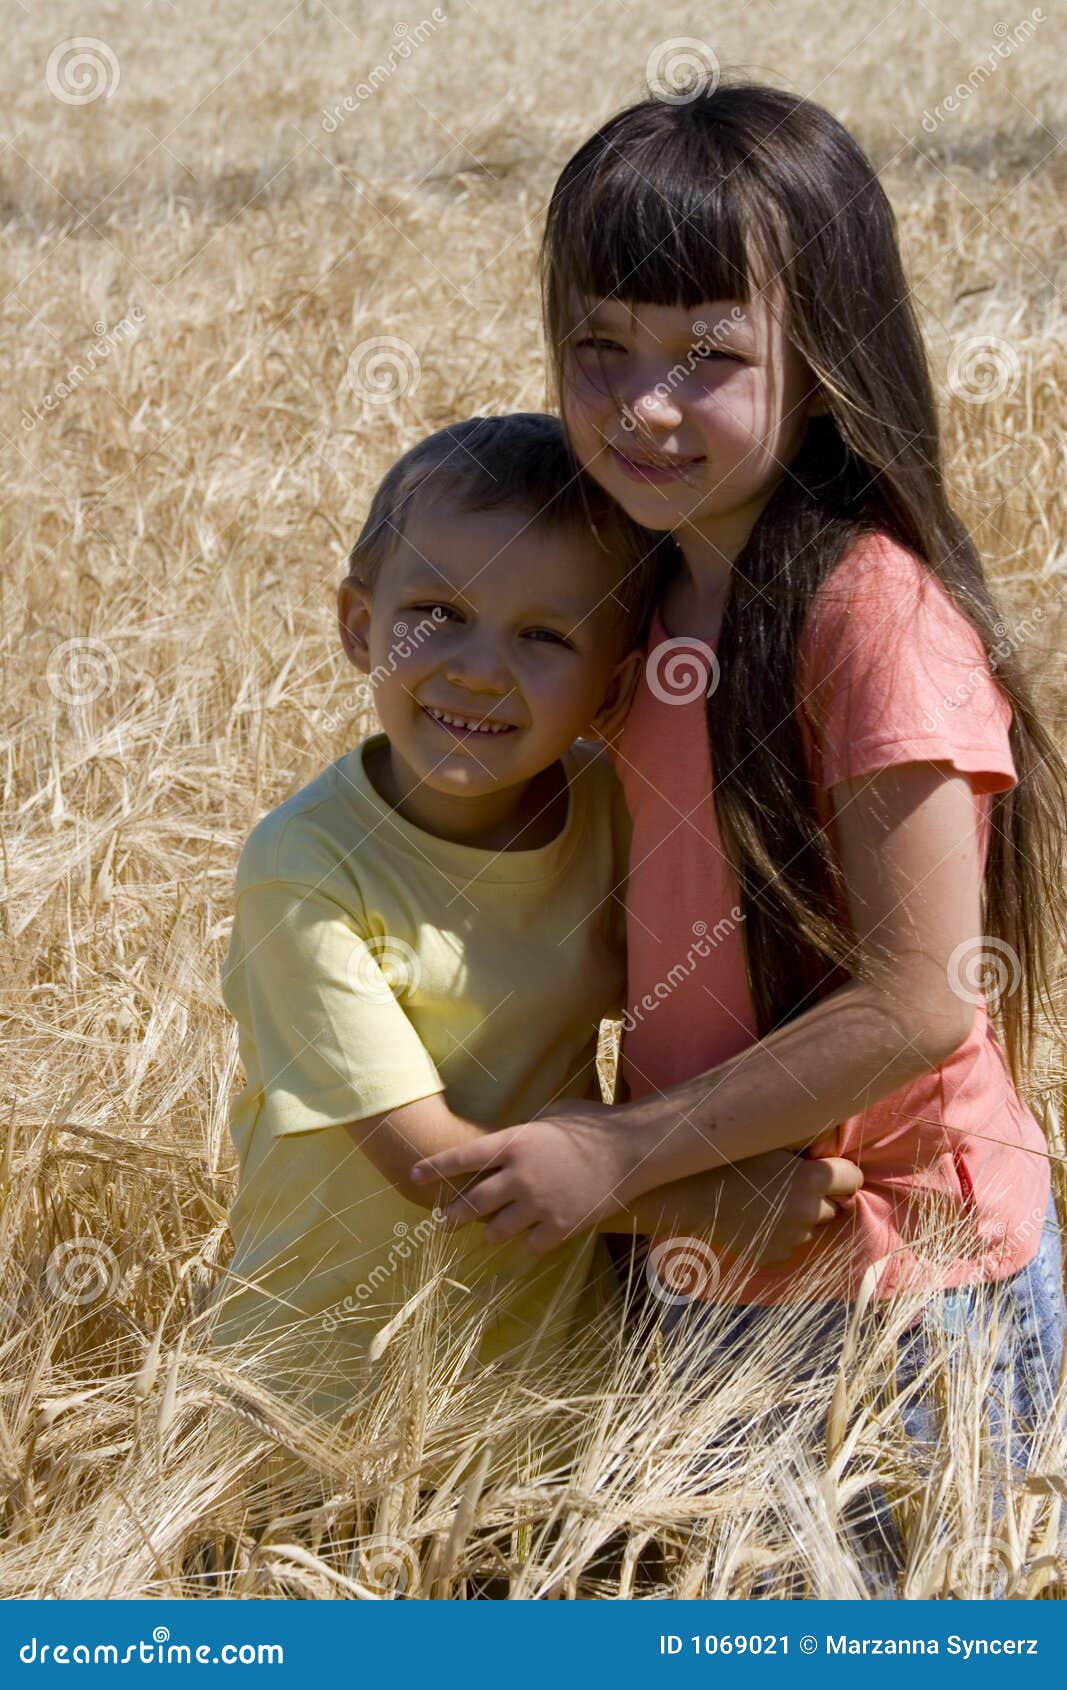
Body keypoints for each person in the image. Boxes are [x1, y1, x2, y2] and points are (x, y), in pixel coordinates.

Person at [410, 88, 1067, 1513]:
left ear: (822, 359)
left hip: (891, 1284)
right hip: (707, 1238)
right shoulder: (627, 590)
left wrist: (620, 1152)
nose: (642, 403)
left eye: (707, 355)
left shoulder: (870, 617)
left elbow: (917, 1000)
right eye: (598, 346)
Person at [212, 411, 860, 1423]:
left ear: (611, 683)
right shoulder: (302, 870)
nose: (478, 668)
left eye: (543, 635)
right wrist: (700, 1199)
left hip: (545, 1373)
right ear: (355, 625)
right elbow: (435, 1165)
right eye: (436, 612)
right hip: (326, 1381)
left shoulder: (611, 806)